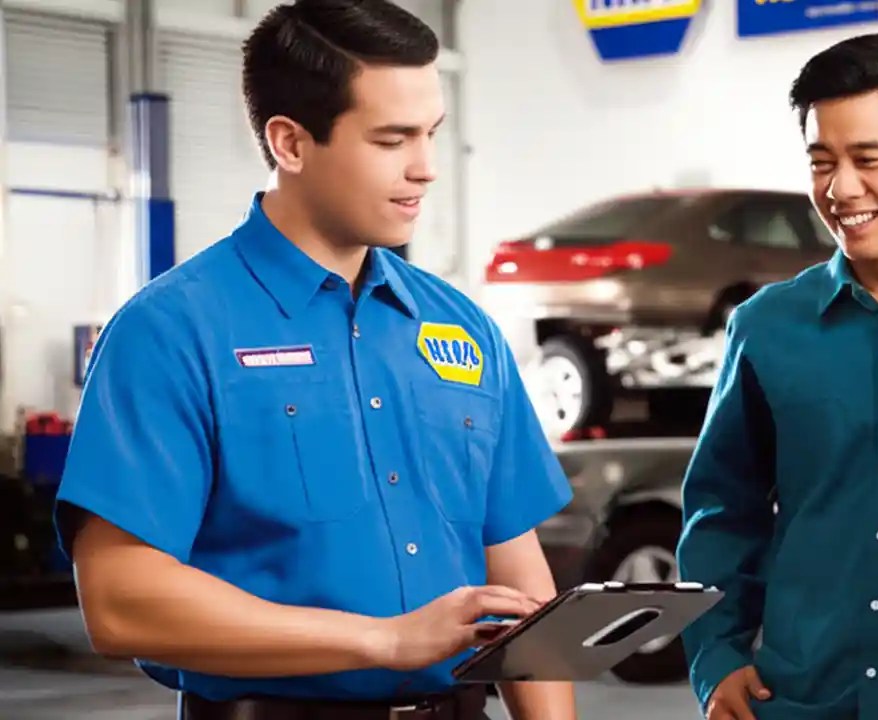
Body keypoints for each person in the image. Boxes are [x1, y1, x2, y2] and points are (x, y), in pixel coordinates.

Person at [53, 2, 576, 719]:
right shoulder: (172, 332)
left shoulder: (464, 330)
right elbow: (120, 601)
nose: (425, 168)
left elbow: (521, 589)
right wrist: (383, 641)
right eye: (392, 139)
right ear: (290, 143)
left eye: (431, 134)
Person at [677, 34, 878, 720]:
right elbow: (721, 511)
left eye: (868, 160)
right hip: (798, 697)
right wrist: (717, 659)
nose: (839, 190)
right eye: (821, 162)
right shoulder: (767, 326)